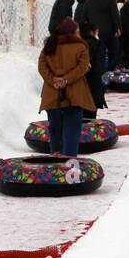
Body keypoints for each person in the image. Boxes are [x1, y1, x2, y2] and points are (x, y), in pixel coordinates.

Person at [37, 19, 94, 158]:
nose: (79, 34)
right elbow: (82, 68)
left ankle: (55, 160)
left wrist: (53, 80)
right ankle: (68, 162)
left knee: (55, 129)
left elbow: (41, 67)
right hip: (74, 94)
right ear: (72, 33)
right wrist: (66, 79)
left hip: (52, 94)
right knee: (72, 131)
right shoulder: (81, 47)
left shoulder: (49, 46)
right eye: (78, 32)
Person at [84, 0, 120, 70]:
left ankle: (98, 71)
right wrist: (118, 28)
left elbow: (85, 16)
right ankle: (110, 72)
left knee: (97, 53)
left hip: (94, 32)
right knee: (112, 53)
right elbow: (115, 15)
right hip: (109, 31)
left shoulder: (90, 0)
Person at [79, 21, 106, 120]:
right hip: (93, 84)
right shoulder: (97, 44)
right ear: (92, 31)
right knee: (90, 115)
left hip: (78, 84)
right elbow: (100, 66)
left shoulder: (77, 44)